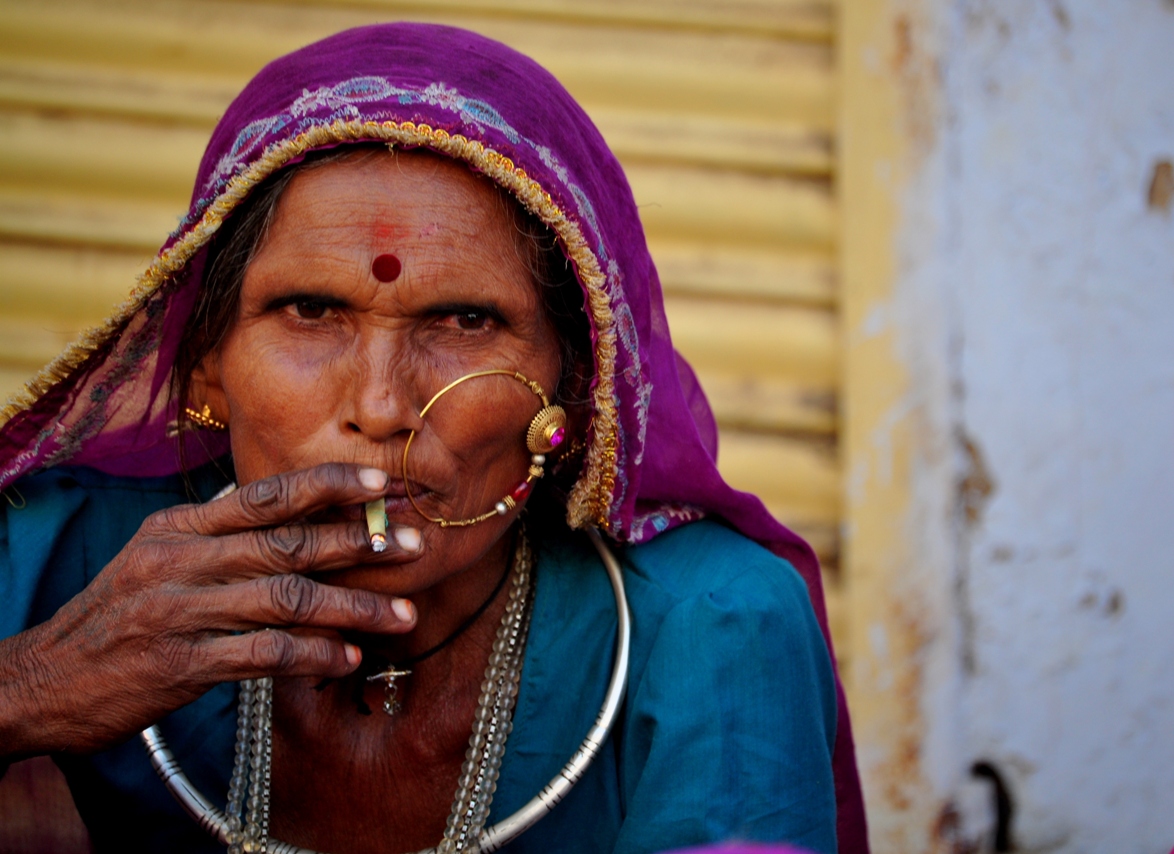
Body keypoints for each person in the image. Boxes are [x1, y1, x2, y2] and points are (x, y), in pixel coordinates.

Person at [0, 23, 867, 854]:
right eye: (310, 311)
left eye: (464, 319)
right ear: (204, 365)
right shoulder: (54, 560)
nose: (380, 407)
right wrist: (31, 687)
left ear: (575, 381)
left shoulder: (710, 626)